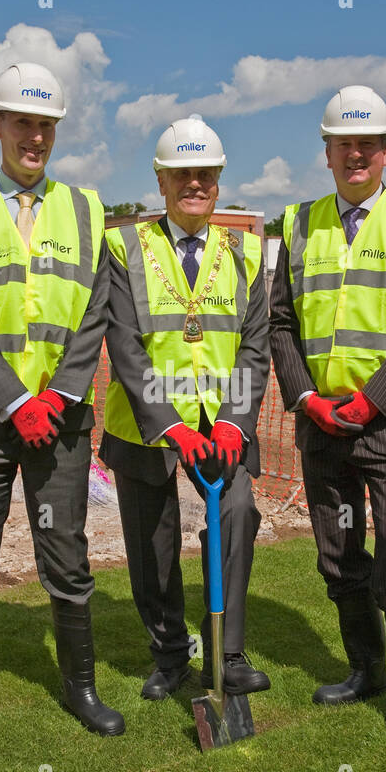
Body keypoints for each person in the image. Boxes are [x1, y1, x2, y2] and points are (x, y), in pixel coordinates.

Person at [0, 61, 119, 752]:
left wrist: (59, 396)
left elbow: (94, 312)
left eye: (46, 125)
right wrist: (13, 400)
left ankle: (81, 688)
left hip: (61, 421)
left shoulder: (90, 209)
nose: (34, 137)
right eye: (22, 123)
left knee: (66, 558)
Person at [268, 85, 386, 749]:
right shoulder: (295, 223)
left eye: (367, 143)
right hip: (320, 422)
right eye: (343, 142)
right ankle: (366, 671)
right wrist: (305, 398)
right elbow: (281, 323)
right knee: (338, 554)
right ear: (326, 151)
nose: (356, 154)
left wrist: (372, 400)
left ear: (385, 151)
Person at [100, 116, 271, 700]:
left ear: (218, 180)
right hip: (147, 422)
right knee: (153, 541)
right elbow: (124, 343)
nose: (193, 183)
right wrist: (172, 425)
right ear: (161, 180)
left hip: (221, 421)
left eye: (204, 174)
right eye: (181, 175)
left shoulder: (246, 250)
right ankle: (170, 655)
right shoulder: (123, 247)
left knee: (238, 513)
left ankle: (226, 652)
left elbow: (254, 343)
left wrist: (230, 421)